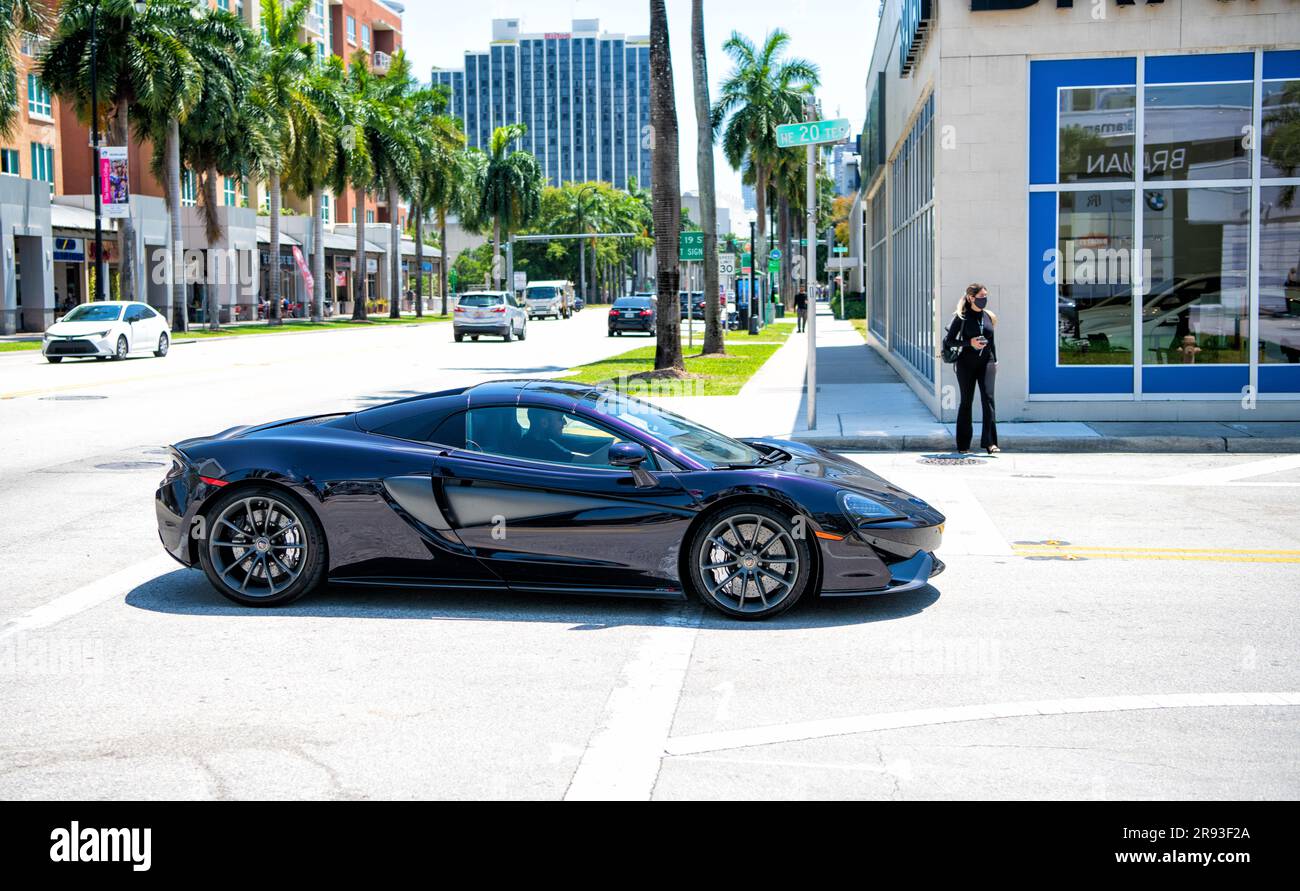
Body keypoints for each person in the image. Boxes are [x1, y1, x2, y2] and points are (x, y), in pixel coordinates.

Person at [943, 283, 999, 455]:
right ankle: (963, 444)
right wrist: (970, 343)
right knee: (966, 402)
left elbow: (992, 340)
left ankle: (990, 443)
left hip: (987, 363)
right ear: (971, 298)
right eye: (981, 297)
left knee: (988, 400)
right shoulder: (961, 317)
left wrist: (995, 360)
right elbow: (949, 341)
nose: (984, 300)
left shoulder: (988, 316)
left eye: (985, 296)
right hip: (966, 364)